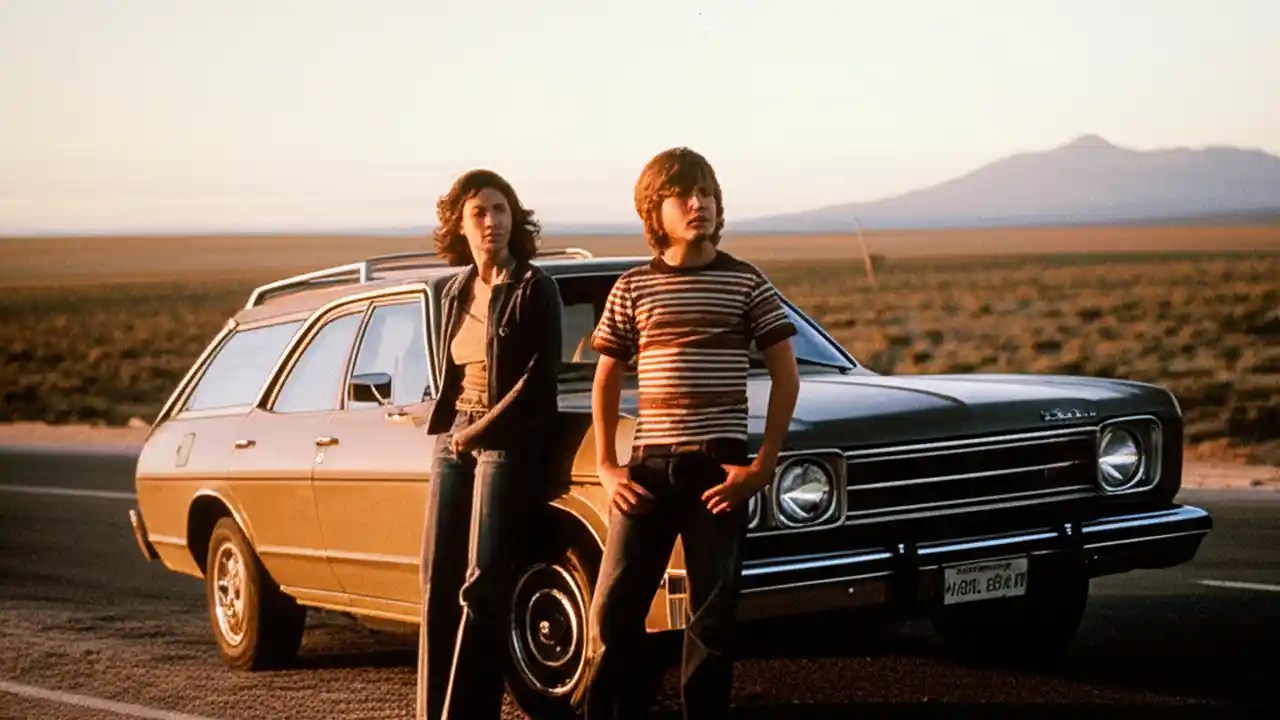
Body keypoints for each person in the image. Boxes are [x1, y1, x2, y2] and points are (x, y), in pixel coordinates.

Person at [583, 147, 801, 718]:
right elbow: (606, 378)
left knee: (712, 619)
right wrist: (606, 465)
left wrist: (762, 466)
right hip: (649, 468)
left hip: (717, 469)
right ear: (654, 211)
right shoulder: (633, 287)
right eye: (681, 195)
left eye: (705, 193)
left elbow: (786, 376)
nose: (697, 203)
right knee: (613, 610)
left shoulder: (746, 282)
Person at [416, 169, 563, 720]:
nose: (491, 221)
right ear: (460, 224)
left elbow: (537, 381)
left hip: (505, 439)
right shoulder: (454, 290)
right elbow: (451, 375)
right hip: (455, 433)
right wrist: (453, 434)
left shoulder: (534, 287)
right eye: (478, 212)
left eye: (501, 210)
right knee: (437, 579)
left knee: (482, 586)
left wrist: (475, 435)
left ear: (514, 218)